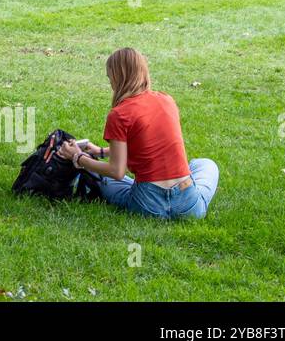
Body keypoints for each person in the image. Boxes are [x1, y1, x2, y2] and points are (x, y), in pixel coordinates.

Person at [58, 47, 218, 220]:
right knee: (205, 164)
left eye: (110, 77)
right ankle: (194, 201)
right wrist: (100, 152)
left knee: (97, 174)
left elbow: (117, 171)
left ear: (118, 77)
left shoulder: (120, 114)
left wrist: (78, 157)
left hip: (147, 205)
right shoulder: (167, 101)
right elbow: (147, 144)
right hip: (188, 203)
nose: (110, 83)